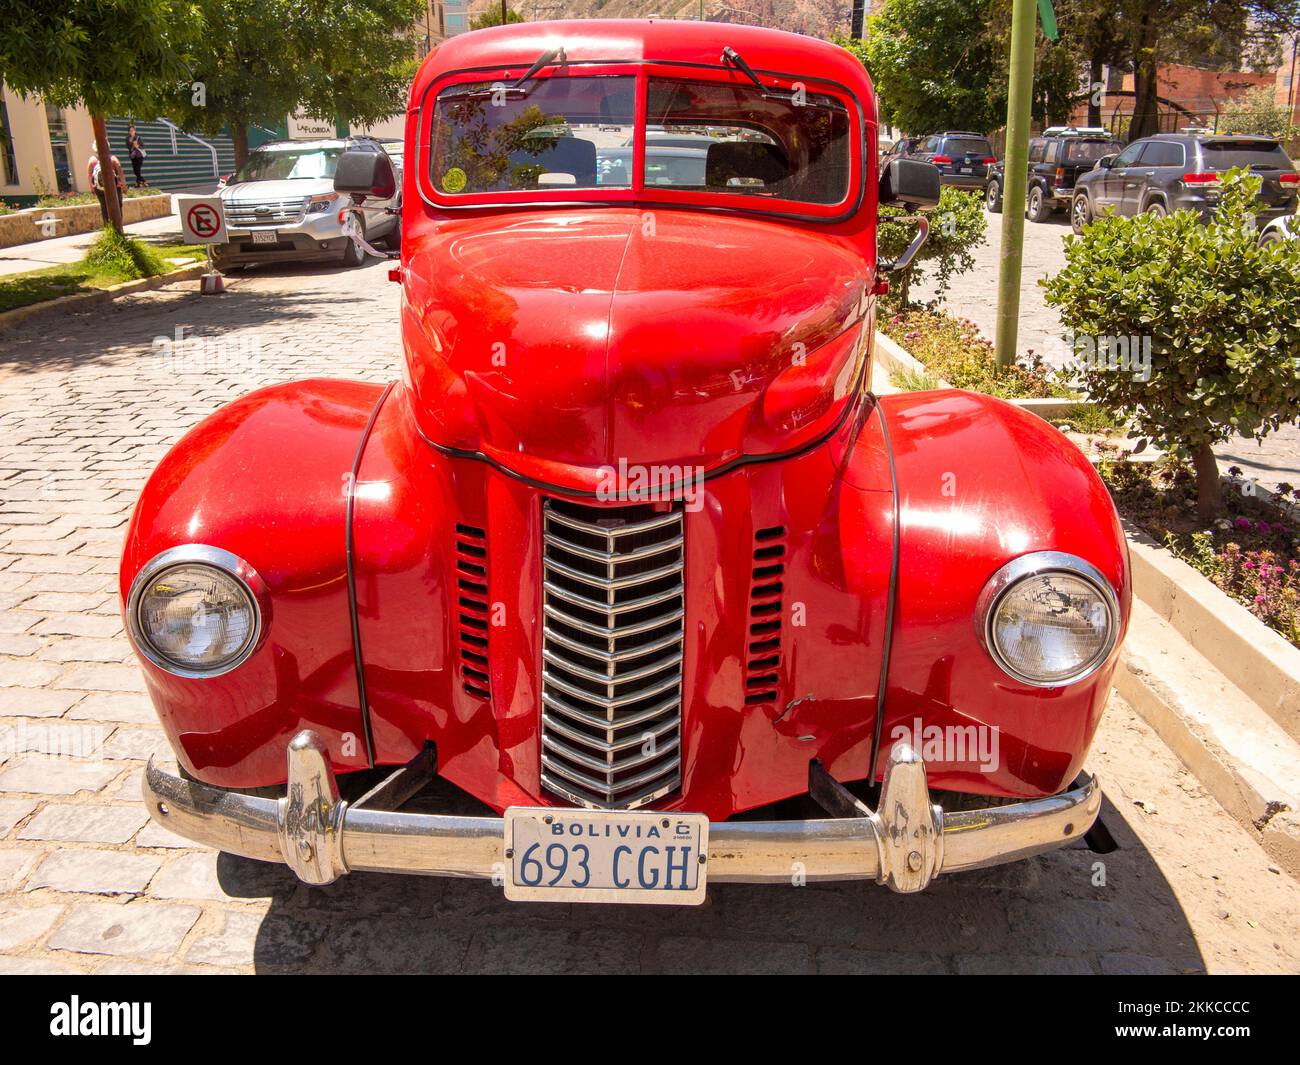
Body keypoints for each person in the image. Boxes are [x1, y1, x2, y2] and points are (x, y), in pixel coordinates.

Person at [87, 152, 127, 225]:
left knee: (104, 206)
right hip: (114, 187)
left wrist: (91, 188)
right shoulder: (113, 158)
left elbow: (89, 175)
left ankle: (107, 226)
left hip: (99, 188)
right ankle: (118, 226)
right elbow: (120, 171)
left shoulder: (92, 160)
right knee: (118, 205)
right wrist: (124, 186)